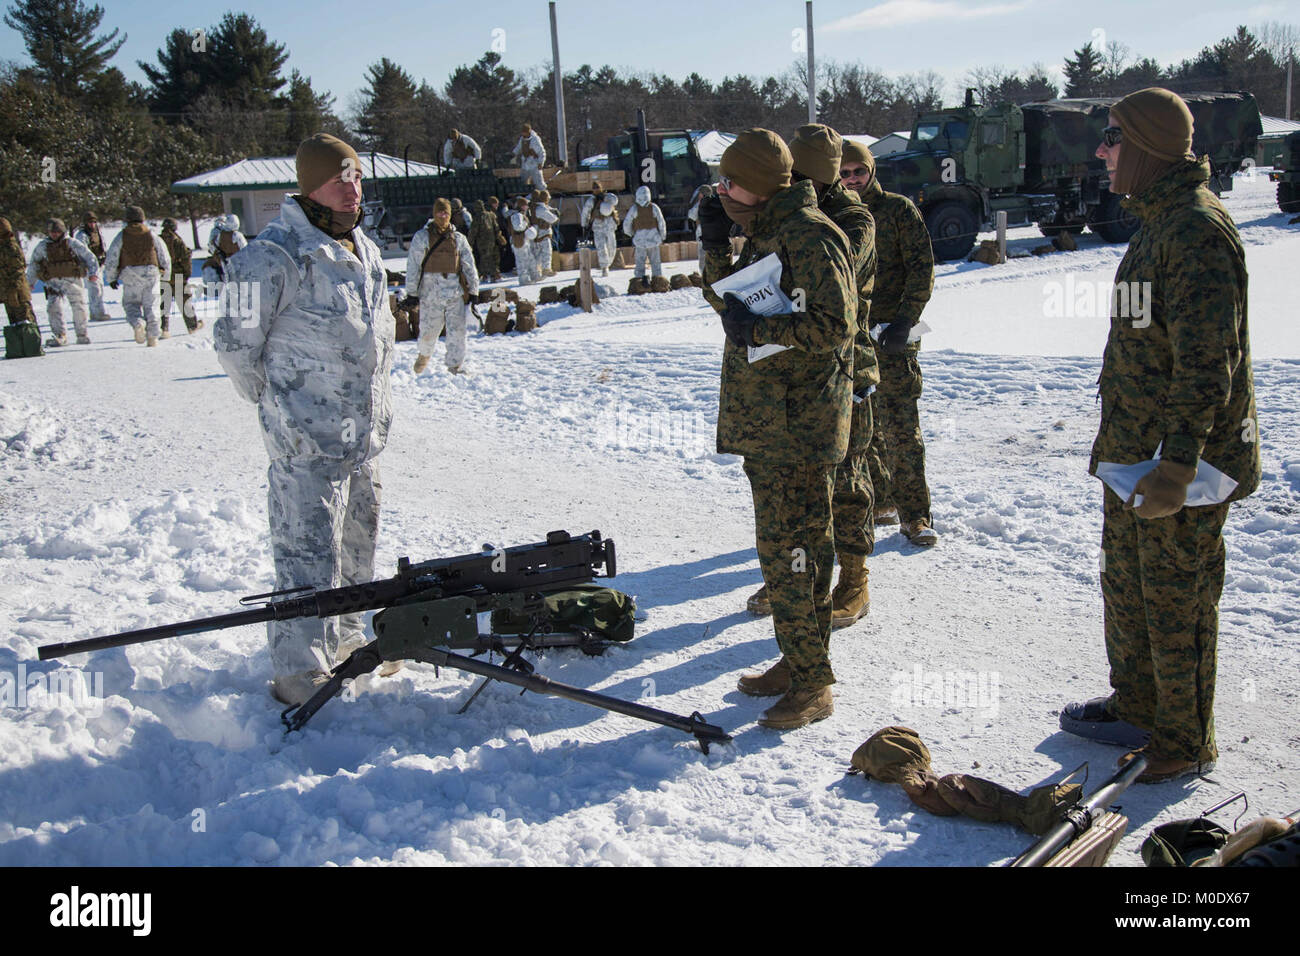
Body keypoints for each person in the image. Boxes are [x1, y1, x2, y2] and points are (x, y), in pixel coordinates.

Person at [1060, 89, 1259, 784]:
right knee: (1131, 587)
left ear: (1143, 145)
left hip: (1184, 462)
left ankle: (1183, 738)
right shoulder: (1158, 222)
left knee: (1176, 598)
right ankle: (1138, 703)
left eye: (1112, 138)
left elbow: (1209, 363)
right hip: (1136, 455)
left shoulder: (1197, 230)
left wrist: (1177, 467)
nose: (1101, 152)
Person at [213, 132, 396, 707]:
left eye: (358, 177)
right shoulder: (268, 257)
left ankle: (348, 645)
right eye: (341, 179)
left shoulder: (362, 248)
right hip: (305, 442)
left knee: (356, 551)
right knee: (304, 556)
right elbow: (232, 342)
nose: (353, 188)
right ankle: (298, 670)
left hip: (360, 439)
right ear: (310, 184)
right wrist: (282, 406)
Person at [698, 129, 857, 730]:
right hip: (771, 423)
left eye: (732, 182)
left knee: (795, 554)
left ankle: (813, 684)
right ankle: (798, 661)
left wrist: (762, 332)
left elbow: (835, 326)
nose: (723, 190)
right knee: (789, 551)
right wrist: (715, 248)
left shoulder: (813, 236)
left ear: (762, 185)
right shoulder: (769, 231)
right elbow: (733, 306)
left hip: (799, 426)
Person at [744, 124, 878, 630]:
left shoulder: (847, 221)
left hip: (849, 366)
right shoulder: (792, 218)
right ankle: (797, 579)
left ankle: (854, 579)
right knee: (805, 496)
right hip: (799, 365)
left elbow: (835, 285)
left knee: (847, 483)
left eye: (795, 175)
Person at [838, 140, 938, 547]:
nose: (852, 181)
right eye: (843, 174)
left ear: (871, 171)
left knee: (900, 428)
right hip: (851, 341)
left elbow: (922, 268)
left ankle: (916, 515)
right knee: (863, 430)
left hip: (892, 336)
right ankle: (881, 500)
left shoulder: (898, 211)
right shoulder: (836, 215)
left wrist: (905, 320)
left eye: (858, 172)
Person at [401, 197, 479, 374]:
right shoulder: (422, 238)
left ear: (450, 215)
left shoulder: (458, 239)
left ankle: (455, 365)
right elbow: (413, 266)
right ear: (434, 213)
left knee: (457, 332)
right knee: (429, 330)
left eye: (446, 213)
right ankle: (424, 355)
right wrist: (412, 293)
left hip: (454, 294)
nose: (442, 216)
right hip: (430, 294)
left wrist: (474, 290)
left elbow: (469, 264)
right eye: (439, 212)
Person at [104, 205, 171, 347]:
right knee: (152, 305)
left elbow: (112, 257)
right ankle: (153, 337)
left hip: (130, 274)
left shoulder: (122, 236)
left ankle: (137, 323)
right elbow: (163, 254)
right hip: (151, 273)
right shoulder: (151, 234)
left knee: (131, 304)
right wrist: (166, 273)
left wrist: (111, 278)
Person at [26, 218, 97, 347]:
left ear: (62, 231)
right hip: (54, 283)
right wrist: (30, 283)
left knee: (79, 307)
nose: (54, 234)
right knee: (53, 308)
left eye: (57, 231)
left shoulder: (72, 243)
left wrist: (93, 273)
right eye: (52, 232)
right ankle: (60, 335)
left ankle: (82, 335)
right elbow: (34, 264)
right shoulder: (43, 246)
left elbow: (89, 257)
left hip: (73, 281)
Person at [158, 217, 200, 335]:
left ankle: (163, 329)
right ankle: (192, 326)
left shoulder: (158, 240)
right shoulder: (177, 240)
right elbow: (186, 259)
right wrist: (187, 273)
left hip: (163, 276)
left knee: (163, 304)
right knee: (185, 302)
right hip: (178, 276)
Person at [622, 186, 666, 289]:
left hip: (639, 241)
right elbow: (661, 223)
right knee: (656, 264)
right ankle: (658, 284)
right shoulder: (654, 207)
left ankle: (639, 285)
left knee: (640, 265)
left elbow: (626, 224)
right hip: (654, 240)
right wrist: (662, 236)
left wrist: (632, 234)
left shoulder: (634, 209)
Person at [1, 217, 39, 329]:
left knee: (26, 323)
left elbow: (18, 271)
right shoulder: (3, 247)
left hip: (18, 293)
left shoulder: (11, 248)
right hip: (8, 293)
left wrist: (13, 289)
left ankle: (32, 346)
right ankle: (21, 346)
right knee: (15, 326)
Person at [73, 211, 112, 322]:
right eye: (90, 222)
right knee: (94, 290)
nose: (92, 224)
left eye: (94, 222)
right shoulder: (81, 235)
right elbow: (82, 252)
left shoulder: (97, 232)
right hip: (88, 266)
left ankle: (97, 312)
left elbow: (102, 246)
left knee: (99, 289)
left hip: (99, 265)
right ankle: (97, 313)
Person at [203, 213, 247, 286]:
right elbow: (245, 248)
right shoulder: (237, 235)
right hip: (237, 261)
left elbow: (214, 245)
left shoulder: (221, 234)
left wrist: (218, 256)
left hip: (224, 260)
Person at [585, 185, 620, 276]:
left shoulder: (608, 197)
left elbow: (615, 200)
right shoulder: (592, 200)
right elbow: (586, 211)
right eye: (594, 188)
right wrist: (584, 222)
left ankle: (608, 264)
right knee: (601, 247)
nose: (596, 190)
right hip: (598, 225)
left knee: (611, 246)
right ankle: (605, 267)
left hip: (609, 225)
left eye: (597, 187)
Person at [468, 199, 503, 282]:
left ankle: (491, 275)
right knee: (493, 257)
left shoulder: (477, 218)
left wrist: (470, 243)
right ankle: (491, 275)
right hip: (492, 240)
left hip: (482, 242)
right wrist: (499, 237)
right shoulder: (491, 215)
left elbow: (473, 232)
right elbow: (496, 228)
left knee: (485, 258)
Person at [508, 199, 538, 286]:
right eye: (526, 205)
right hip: (519, 241)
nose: (527, 207)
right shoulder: (517, 215)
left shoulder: (521, 215)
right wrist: (526, 225)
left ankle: (534, 276)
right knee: (521, 261)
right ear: (521, 206)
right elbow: (518, 227)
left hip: (524, 241)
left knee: (530, 259)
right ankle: (523, 280)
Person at [529, 189, 558, 278]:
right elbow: (553, 219)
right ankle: (546, 269)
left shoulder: (536, 207)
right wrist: (556, 215)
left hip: (538, 232)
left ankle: (536, 271)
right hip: (543, 232)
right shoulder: (541, 208)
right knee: (546, 251)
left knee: (537, 253)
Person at [686, 183, 714, 272]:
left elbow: (691, 215)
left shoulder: (699, 204)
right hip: (715, 233)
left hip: (702, 233)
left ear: (701, 194)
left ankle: (705, 278)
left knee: (703, 259)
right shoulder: (716, 201)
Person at [512, 123, 547, 192]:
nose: (523, 135)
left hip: (534, 164)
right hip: (525, 164)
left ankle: (544, 197)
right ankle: (524, 197)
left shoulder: (535, 140)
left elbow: (542, 152)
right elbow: (519, 147)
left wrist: (541, 162)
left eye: (525, 133)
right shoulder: (522, 139)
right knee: (522, 181)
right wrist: (513, 153)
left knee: (539, 184)